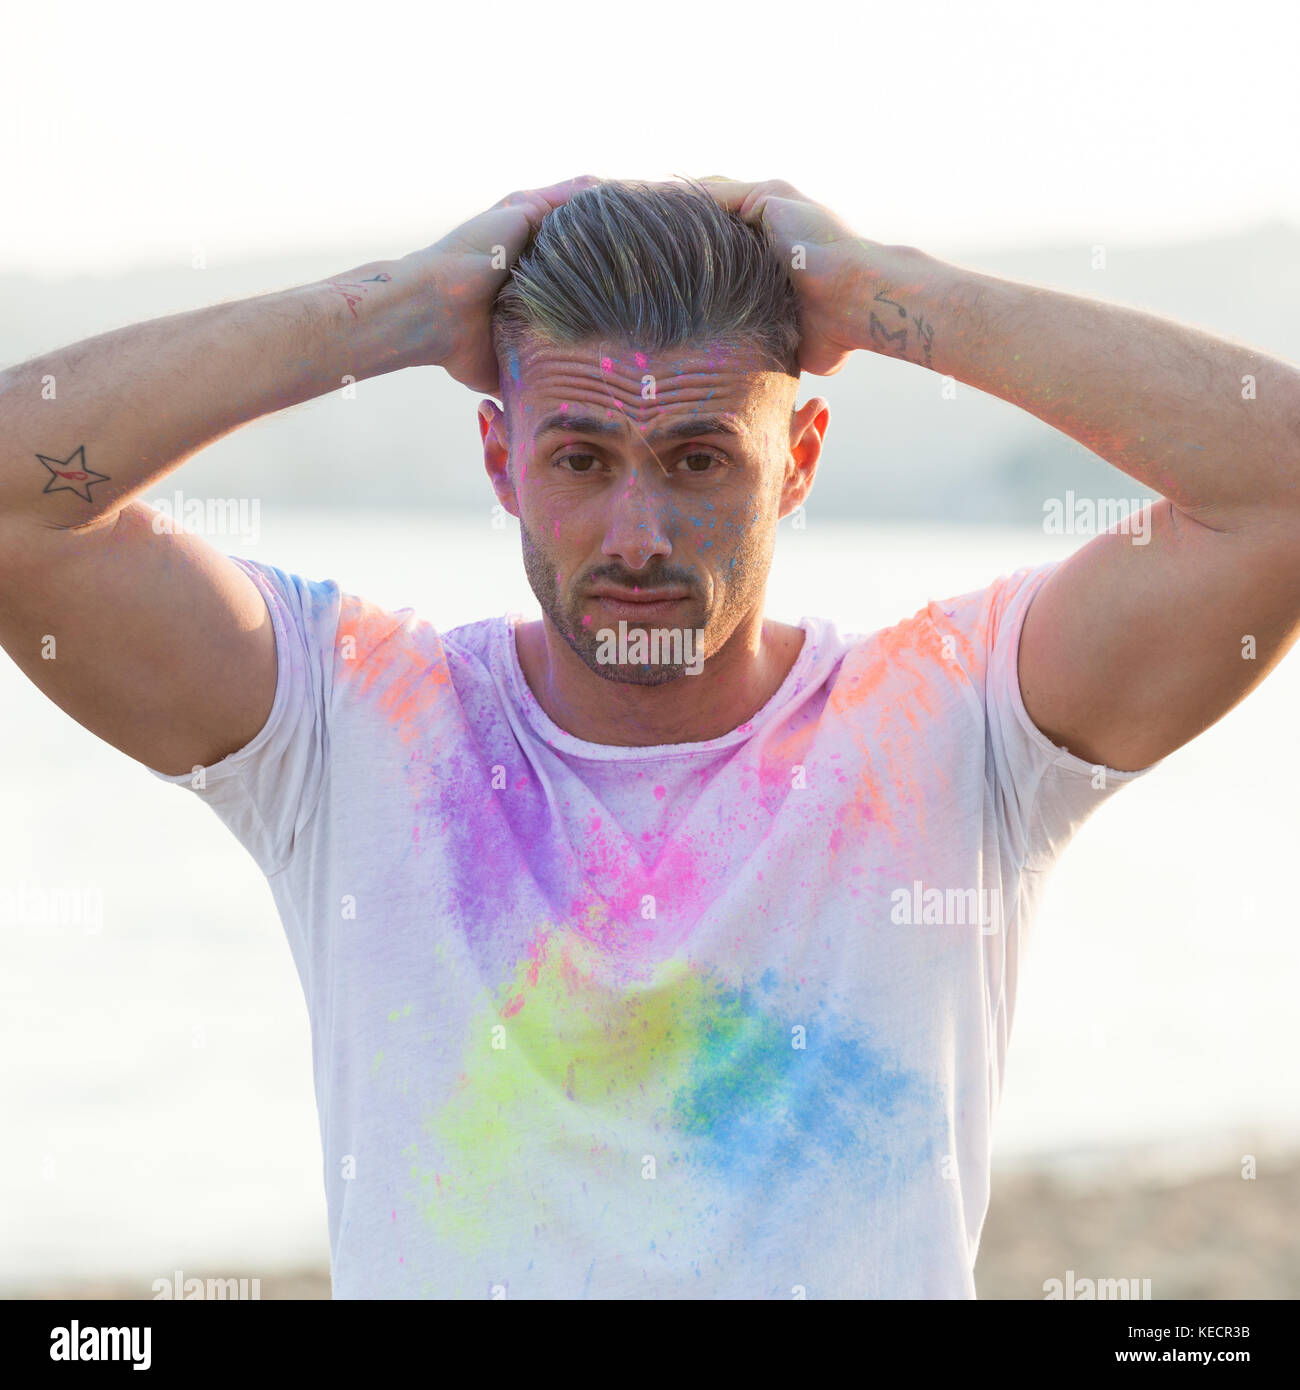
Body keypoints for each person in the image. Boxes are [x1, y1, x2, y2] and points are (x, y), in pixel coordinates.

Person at [2, 175, 1297, 1299]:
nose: (635, 536)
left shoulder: (956, 720)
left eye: (695, 460)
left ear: (797, 459)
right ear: (500, 458)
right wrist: (394, 309)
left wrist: (888, 292)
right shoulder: (348, 726)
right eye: (580, 459)